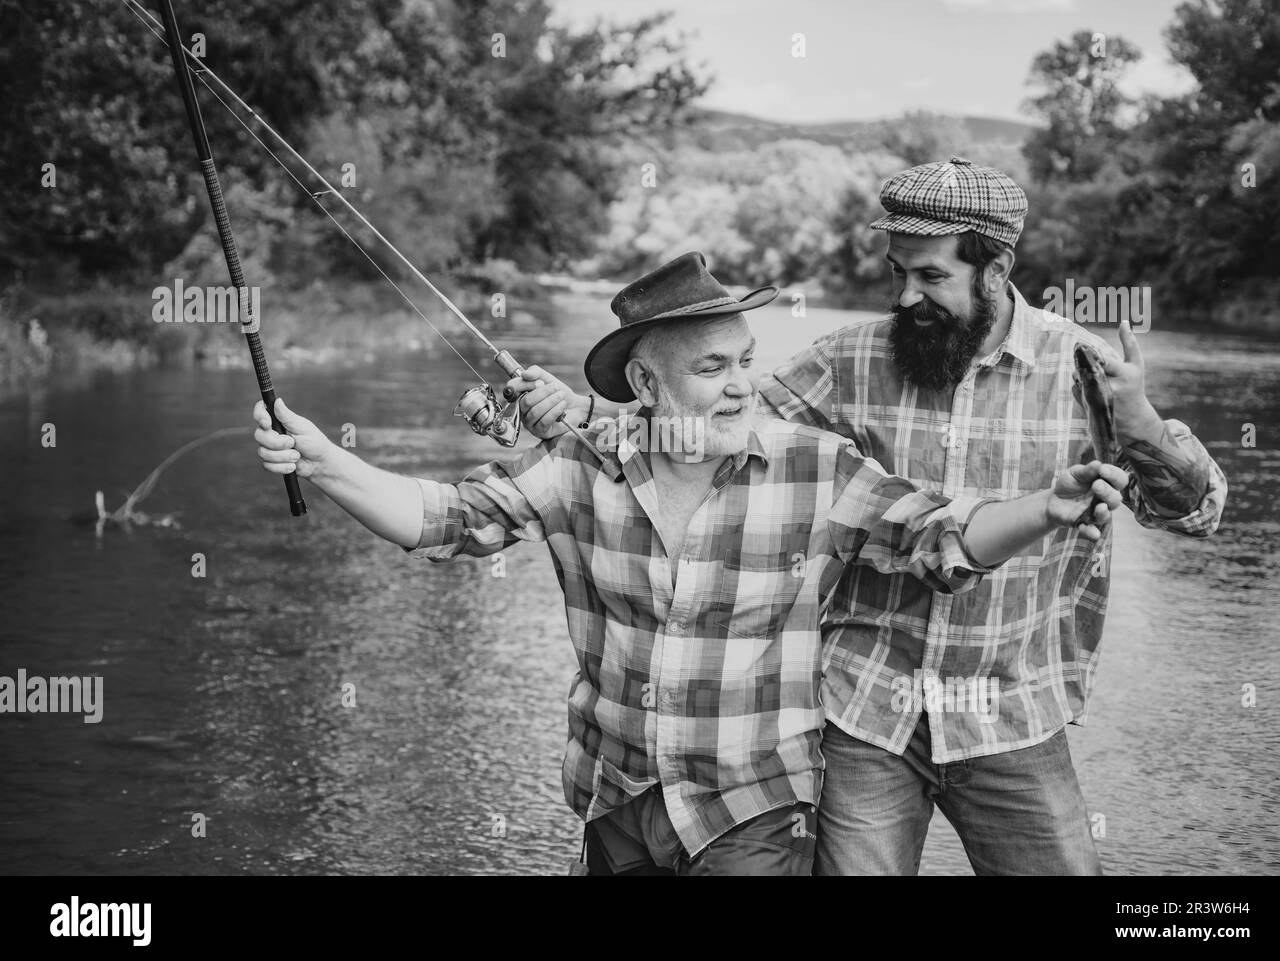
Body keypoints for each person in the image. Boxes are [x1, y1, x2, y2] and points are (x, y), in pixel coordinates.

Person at [255, 251, 1129, 876]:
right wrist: (326, 461)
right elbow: (444, 519)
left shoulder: (810, 466)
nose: (745, 384)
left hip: (753, 804)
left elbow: (945, 535)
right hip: (617, 801)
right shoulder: (578, 468)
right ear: (647, 387)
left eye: (747, 361)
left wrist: (1045, 511)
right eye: (714, 369)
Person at [508, 161, 1227, 876]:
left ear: (996, 266)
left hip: (1010, 706)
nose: (906, 294)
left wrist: (1141, 424)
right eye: (897, 272)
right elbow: (710, 421)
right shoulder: (850, 358)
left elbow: (1194, 515)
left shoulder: (1083, 366)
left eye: (932, 276)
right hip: (862, 711)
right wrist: (580, 414)